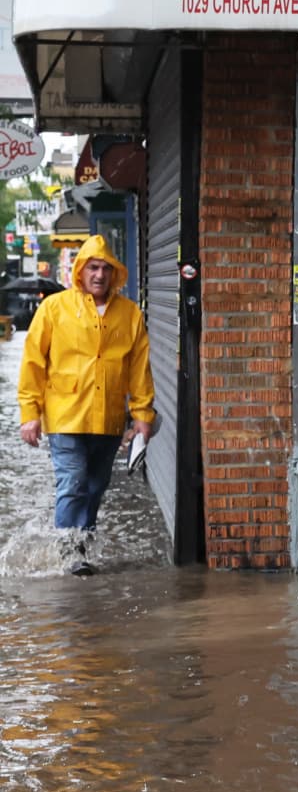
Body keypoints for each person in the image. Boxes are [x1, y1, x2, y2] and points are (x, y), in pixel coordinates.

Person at [17, 234, 155, 575]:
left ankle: (82, 544)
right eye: (92, 267)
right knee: (73, 482)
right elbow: (33, 362)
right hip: (65, 414)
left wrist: (142, 414)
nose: (99, 275)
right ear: (80, 271)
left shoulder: (129, 313)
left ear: (115, 274)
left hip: (107, 417)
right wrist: (30, 414)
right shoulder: (54, 308)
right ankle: (69, 553)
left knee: (95, 486)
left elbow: (139, 368)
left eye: (106, 268)